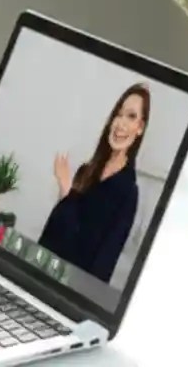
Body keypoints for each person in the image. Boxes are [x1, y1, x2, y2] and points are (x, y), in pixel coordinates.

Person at [37, 83, 150, 284]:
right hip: (41, 276)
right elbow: (53, 233)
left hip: (69, 294)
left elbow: (101, 266)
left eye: (131, 116)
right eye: (119, 114)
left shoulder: (128, 193)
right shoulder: (85, 170)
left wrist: (66, 190)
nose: (121, 124)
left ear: (140, 127)